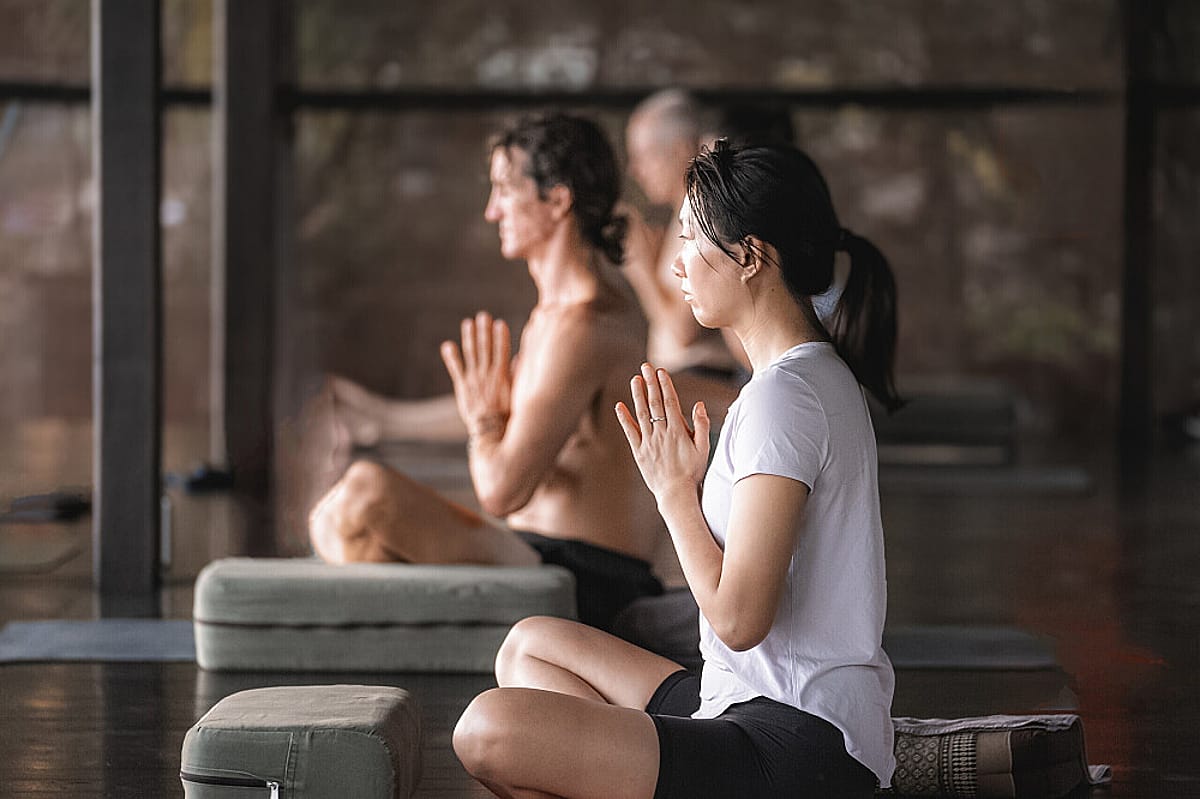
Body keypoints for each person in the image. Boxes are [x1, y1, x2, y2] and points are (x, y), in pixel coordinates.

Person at [452, 138, 902, 797]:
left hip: (798, 749)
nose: (677, 267)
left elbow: (739, 619)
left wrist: (673, 493)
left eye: (691, 239)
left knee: (486, 728)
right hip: (749, 701)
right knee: (530, 646)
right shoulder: (802, 376)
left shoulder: (787, 398)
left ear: (750, 256)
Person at [308, 113, 666, 633]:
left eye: (503, 190)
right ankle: (429, 647)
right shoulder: (558, 317)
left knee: (365, 496)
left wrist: (483, 424)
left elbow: (500, 491)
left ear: (558, 200)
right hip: (540, 559)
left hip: (589, 584)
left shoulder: (585, 326)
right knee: (337, 519)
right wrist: (461, 418)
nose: (491, 210)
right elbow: (515, 426)